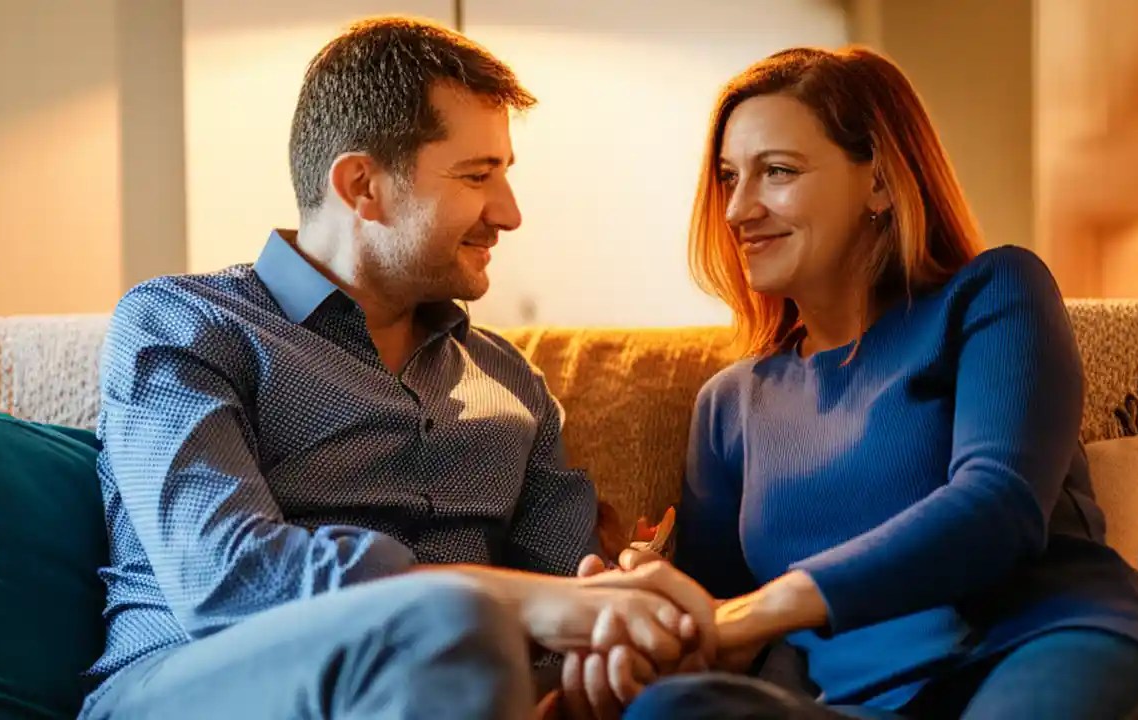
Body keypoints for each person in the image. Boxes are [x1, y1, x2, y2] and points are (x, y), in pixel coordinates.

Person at [78, 16, 715, 720]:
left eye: (505, 174)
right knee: (451, 625)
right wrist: (492, 602)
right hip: (200, 686)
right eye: (478, 176)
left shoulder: (512, 381)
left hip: (466, 693)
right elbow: (228, 580)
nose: (509, 213)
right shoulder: (184, 325)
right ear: (362, 185)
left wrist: (620, 638)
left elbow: (565, 596)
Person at [576, 46, 1138, 719]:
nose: (739, 208)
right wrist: (647, 621)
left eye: (776, 171)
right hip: (860, 705)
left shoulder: (993, 295)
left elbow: (999, 507)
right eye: (727, 178)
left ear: (882, 183)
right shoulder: (730, 405)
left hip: (1043, 645)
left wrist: (756, 610)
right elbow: (722, 629)